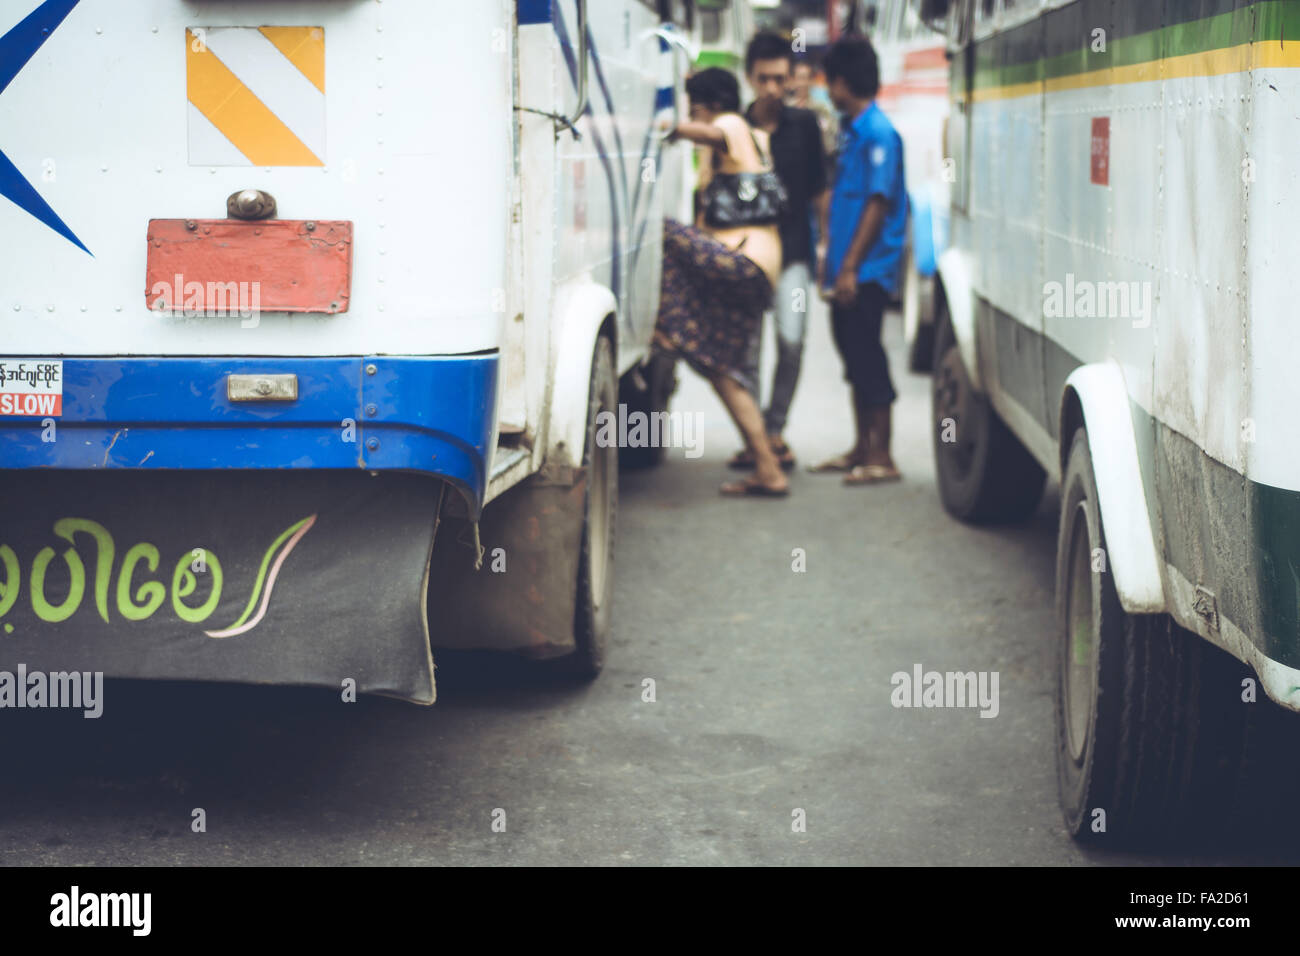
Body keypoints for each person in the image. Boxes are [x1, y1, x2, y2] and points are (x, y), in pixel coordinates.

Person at [655, 67, 789, 498]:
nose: (691, 110)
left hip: (742, 259)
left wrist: (660, 126)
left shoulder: (729, 123)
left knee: (658, 231)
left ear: (706, 102)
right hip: (760, 269)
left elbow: (708, 135)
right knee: (724, 373)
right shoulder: (759, 139)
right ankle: (768, 469)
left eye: (693, 102)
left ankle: (668, 330)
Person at [727, 32, 829, 474]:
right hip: (746, 259)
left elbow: (820, 191)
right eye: (764, 78)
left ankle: (772, 431)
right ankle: (754, 440)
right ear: (750, 77)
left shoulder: (805, 126)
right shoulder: (735, 126)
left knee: (791, 343)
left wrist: (825, 249)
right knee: (745, 355)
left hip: (793, 257)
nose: (772, 87)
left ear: (790, 79)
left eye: (779, 79)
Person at [810, 35, 906, 485]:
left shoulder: (878, 133)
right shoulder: (851, 131)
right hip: (846, 268)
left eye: (830, 81)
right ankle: (860, 449)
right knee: (852, 355)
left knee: (867, 356)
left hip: (866, 271)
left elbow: (877, 202)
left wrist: (849, 268)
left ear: (844, 81)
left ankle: (882, 456)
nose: (827, 89)